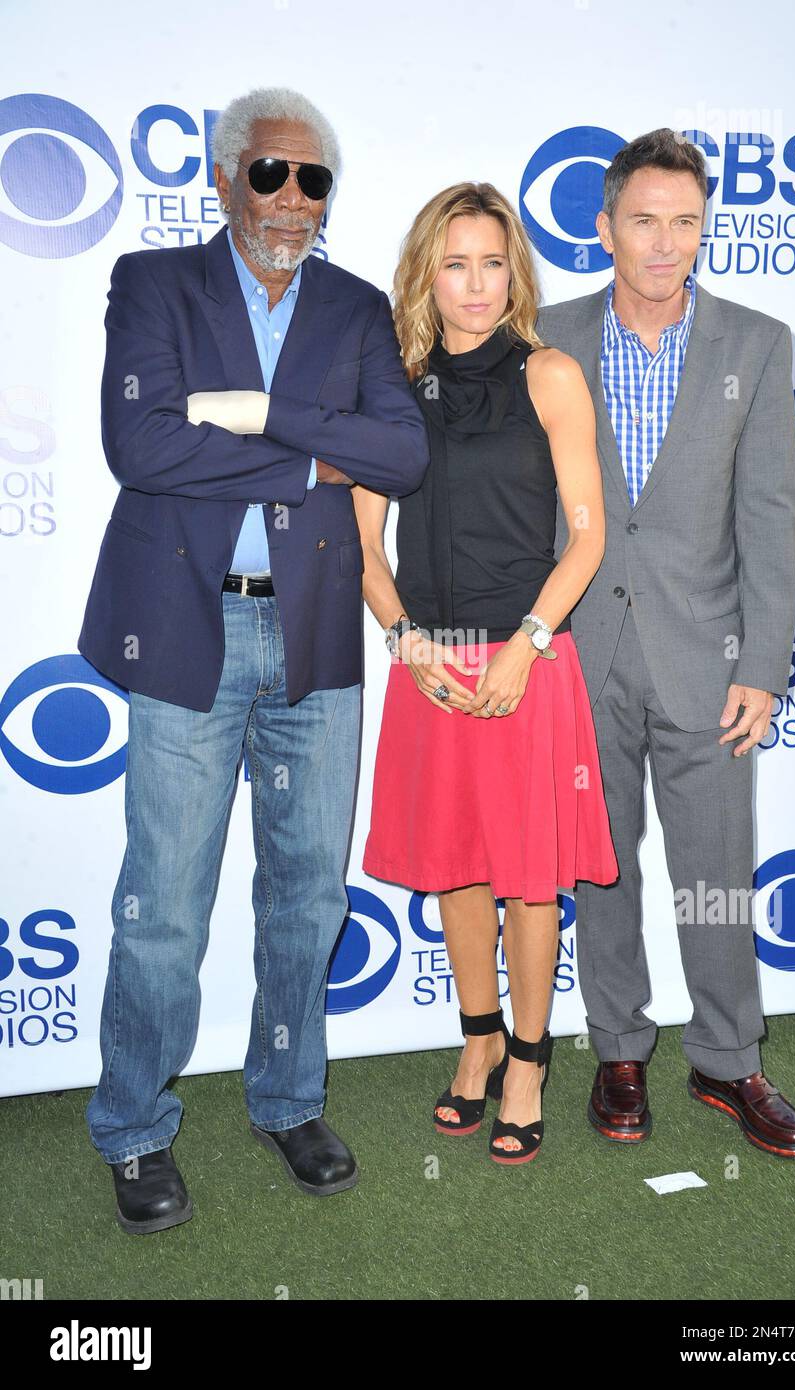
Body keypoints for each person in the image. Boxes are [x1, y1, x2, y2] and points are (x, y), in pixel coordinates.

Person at [77, 85, 429, 1233]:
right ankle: (133, 1127)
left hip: (318, 632)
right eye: (269, 173)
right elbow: (141, 444)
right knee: (164, 904)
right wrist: (313, 459)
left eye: (312, 178)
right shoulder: (155, 283)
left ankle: (285, 1099)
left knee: (307, 895)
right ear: (225, 179)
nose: (291, 196)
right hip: (189, 627)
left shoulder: (356, 304)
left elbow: (404, 452)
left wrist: (252, 412)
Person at [537, 128, 795, 1158]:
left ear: (705, 230)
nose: (666, 244)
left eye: (686, 223)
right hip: (582, 652)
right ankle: (617, 1047)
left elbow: (771, 516)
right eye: (645, 221)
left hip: (706, 657)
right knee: (600, 869)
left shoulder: (756, 340)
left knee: (714, 871)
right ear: (604, 226)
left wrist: (761, 665)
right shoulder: (547, 335)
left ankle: (726, 1059)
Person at [355, 182, 619, 1165]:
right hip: (427, 667)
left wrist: (526, 642)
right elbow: (365, 551)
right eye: (454, 263)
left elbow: (585, 538)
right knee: (457, 867)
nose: (474, 283)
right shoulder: (388, 385)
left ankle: (528, 1063)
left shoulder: (548, 374)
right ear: (427, 270)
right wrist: (404, 639)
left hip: (527, 660)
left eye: (491, 262)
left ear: (515, 272)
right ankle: (475, 1042)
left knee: (531, 878)